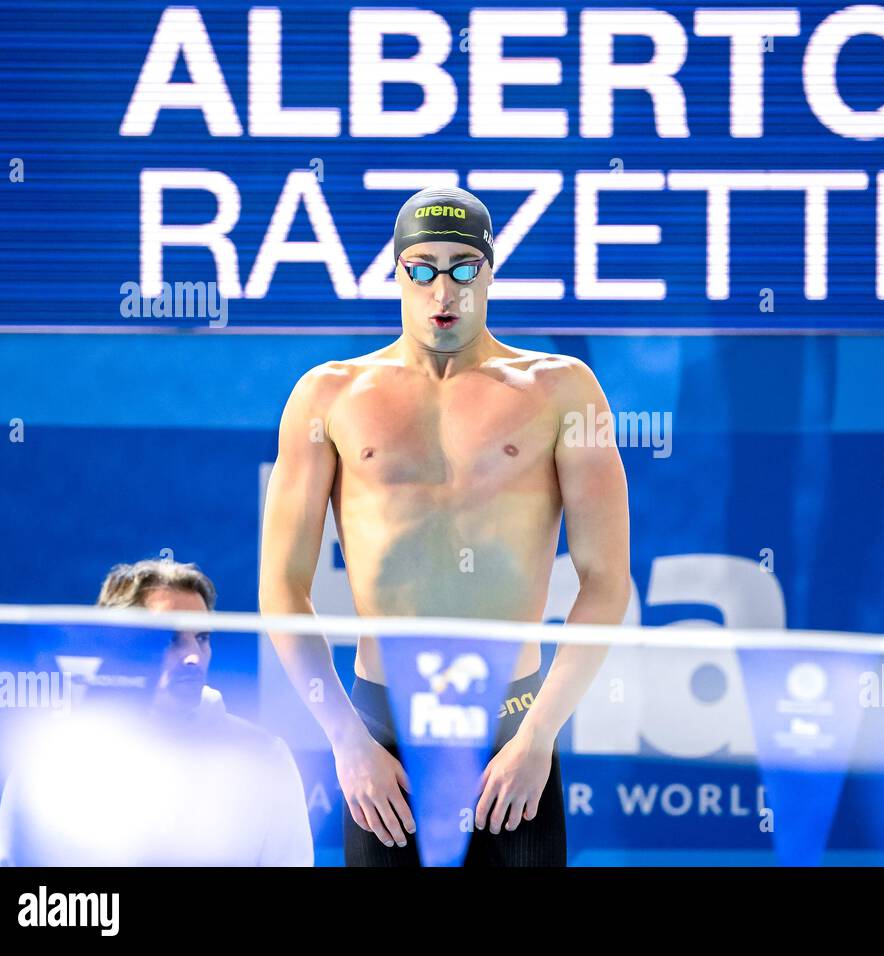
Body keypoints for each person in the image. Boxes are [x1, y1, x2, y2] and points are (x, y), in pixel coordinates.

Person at [259, 186, 631, 866]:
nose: (443, 289)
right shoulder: (329, 395)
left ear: (488, 271)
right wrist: (346, 740)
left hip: (510, 748)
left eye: (463, 267)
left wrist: (540, 735)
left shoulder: (561, 390)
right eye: (423, 267)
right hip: (383, 752)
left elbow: (606, 581)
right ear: (398, 271)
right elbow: (283, 587)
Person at [0, 559, 314, 866]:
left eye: (202, 638)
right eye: (171, 639)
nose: (193, 657)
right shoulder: (52, 759)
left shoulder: (264, 758)